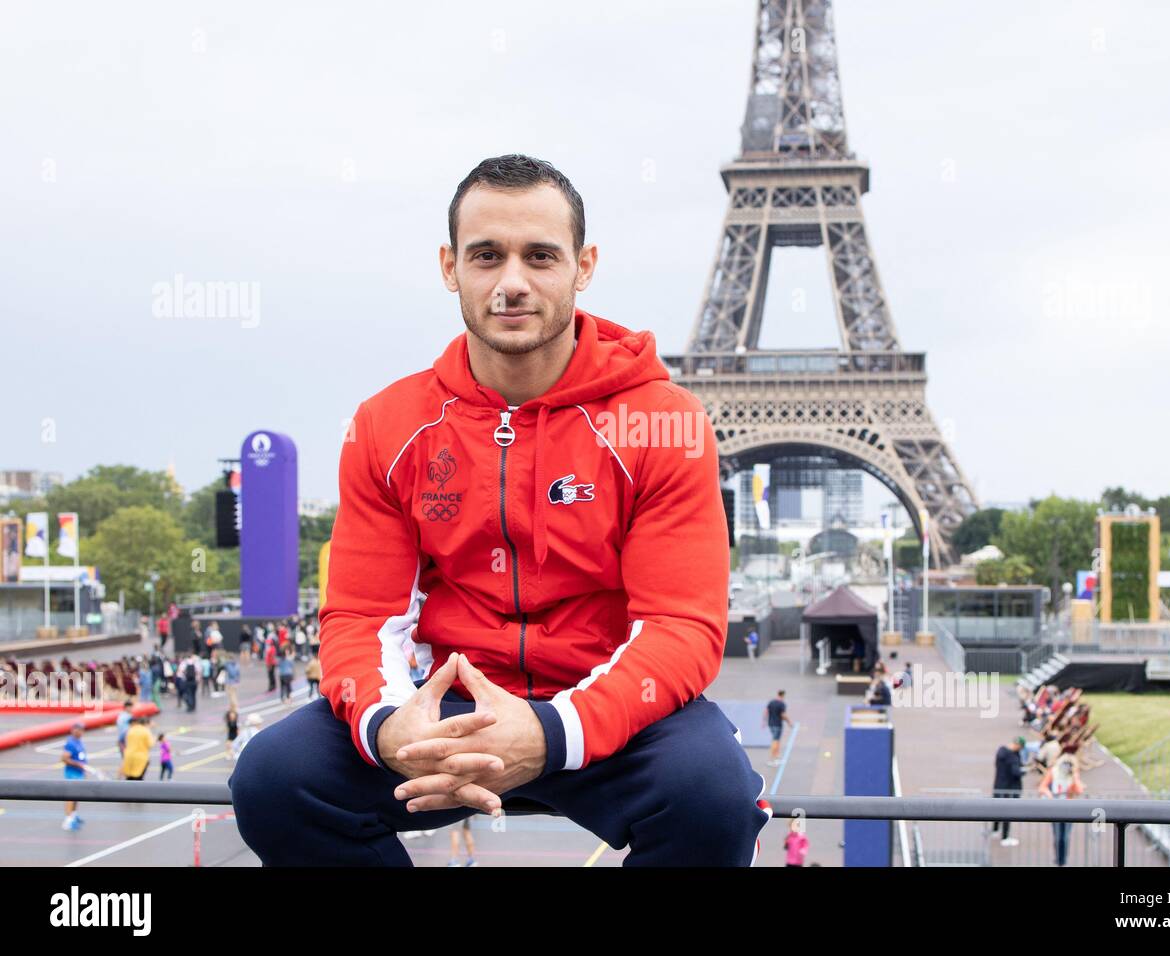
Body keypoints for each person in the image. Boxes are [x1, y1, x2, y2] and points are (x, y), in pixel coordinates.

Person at [230, 155, 769, 866]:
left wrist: (550, 730)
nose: (512, 282)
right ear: (451, 267)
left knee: (715, 800)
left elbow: (679, 626)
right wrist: (391, 725)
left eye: (540, 256)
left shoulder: (663, 421)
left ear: (585, 266)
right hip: (442, 709)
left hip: (610, 711)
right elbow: (361, 617)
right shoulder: (387, 424)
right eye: (488, 256)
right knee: (273, 780)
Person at [1038, 753, 1085, 866]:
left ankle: (1063, 860)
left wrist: (1074, 776)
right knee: (1058, 836)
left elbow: (1079, 790)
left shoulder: (1073, 775)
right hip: (1057, 808)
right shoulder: (1053, 772)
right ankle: (1058, 859)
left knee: (1065, 837)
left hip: (1070, 809)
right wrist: (1049, 794)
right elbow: (1042, 787)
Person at [989, 736, 1025, 847]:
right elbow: (1016, 772)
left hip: (998, 785)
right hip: (1010, 788)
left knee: (997, 810)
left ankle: (995, 830)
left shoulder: (1001, 751)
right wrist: (1024, 771)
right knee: (1007, 813)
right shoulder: (1013, 757)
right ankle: (1005, 837)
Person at [61, 722, 89, 830]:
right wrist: (79, 765)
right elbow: (64, 759)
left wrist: (84, 770)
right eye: (78, 729)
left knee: (77, 796)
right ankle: (67, 820)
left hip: (79, 772)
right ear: (73, 730)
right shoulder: (70, 743)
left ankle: (73, 815)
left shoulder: (79, 742)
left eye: (82, 730)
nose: (80, 732)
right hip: (72, 773)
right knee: (71, 796)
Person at [120, 716, 155, 781]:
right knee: (138, 778)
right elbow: (150, 744)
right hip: (141, 758)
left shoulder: (131, 729)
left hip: (129, 756)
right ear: (146, 723)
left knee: (129, 778)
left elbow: (125, 742)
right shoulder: (146, 731)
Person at [766, 690, 791, 767]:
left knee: (776, 741)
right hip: (777, 724)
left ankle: (776, 757)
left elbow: (766, 711)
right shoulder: (781, 704)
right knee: (775, 741)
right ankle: (772, 759)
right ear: (783, 695)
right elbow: (783, 715)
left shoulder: (771, 702)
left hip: (771, 724)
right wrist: (789, 722)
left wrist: (764, 721)